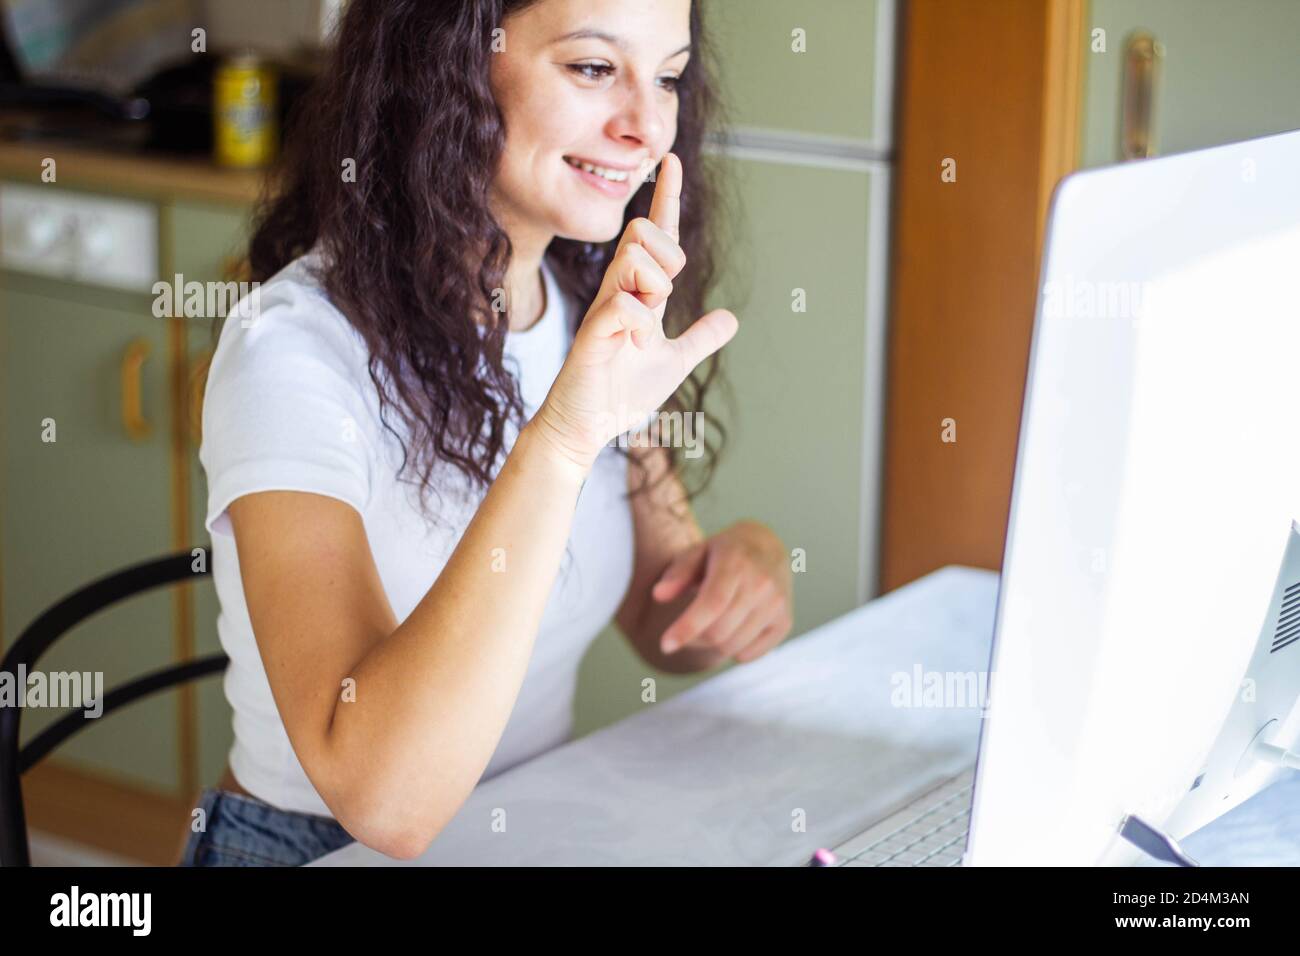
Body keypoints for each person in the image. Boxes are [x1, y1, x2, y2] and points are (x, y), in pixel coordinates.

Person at [179, 0, 793, 867]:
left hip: (528, 827)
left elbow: (668, 620)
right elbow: (384, 804)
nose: (648, 126)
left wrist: (752, 565)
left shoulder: (586, 314)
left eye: (666, 77)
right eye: (591, 69)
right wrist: (563, 436)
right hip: (314, 849)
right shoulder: (295, 351)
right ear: (446, 66)